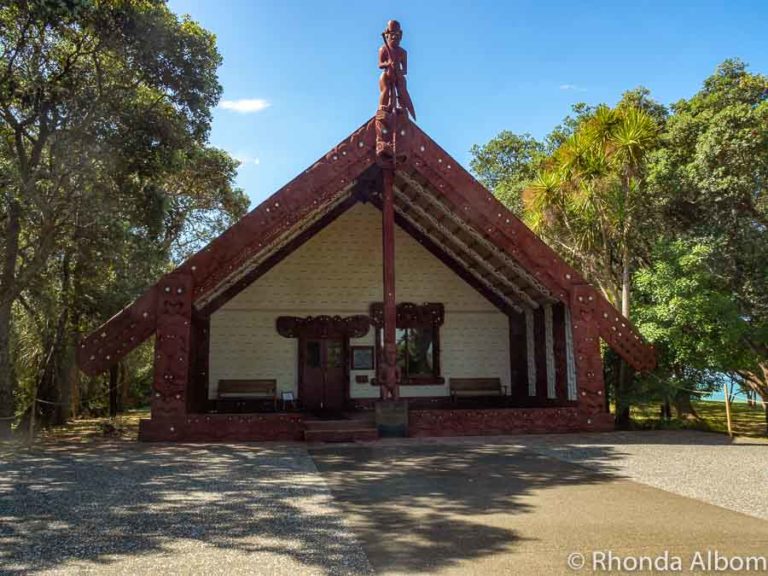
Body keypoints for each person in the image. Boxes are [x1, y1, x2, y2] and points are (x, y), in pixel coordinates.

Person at [378, 20, 416, 120]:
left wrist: (399, 71)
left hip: (397, 75)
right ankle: (383, 105)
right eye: (392, 34)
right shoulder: (384, 49)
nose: (394, 37)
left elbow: (405, 70)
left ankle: (402, 106)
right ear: (387, 35)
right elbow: (380, 64)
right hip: (387, 74)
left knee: (402, 87)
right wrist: (388, 64)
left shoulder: (402, 52)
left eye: (397, 34)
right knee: (385, 88)